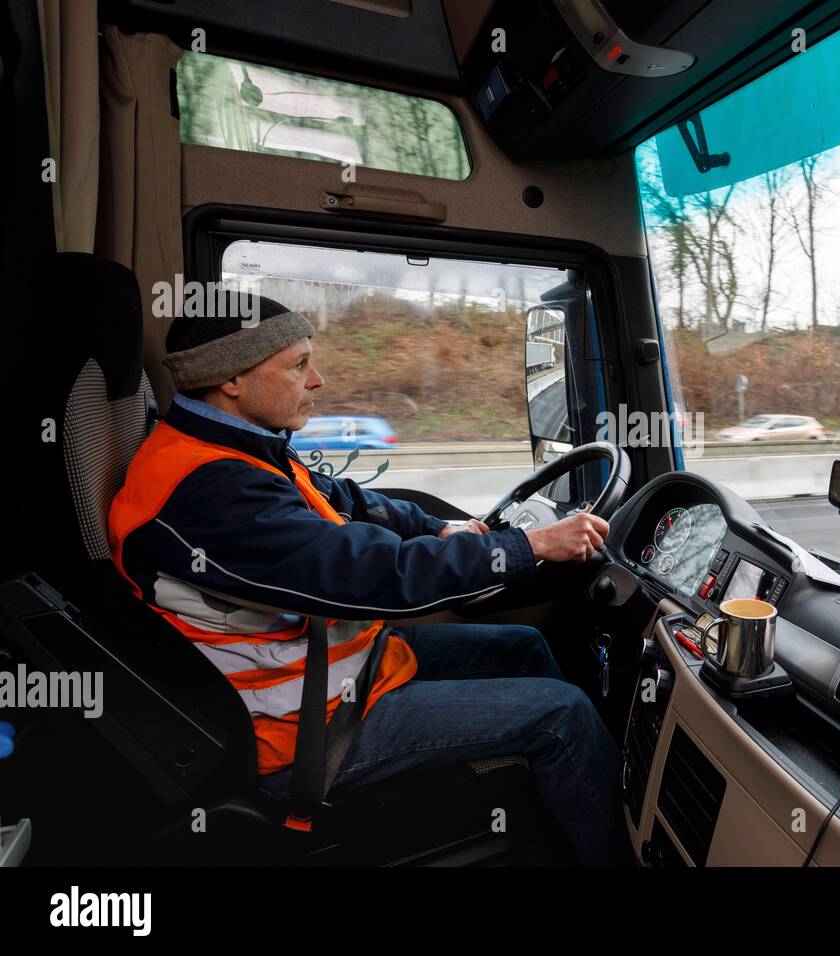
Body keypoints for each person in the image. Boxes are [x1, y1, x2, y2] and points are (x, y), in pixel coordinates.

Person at [107, 292, 627, 865]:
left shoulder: (236, 448)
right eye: (298, 364)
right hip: (300, 731)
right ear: (231, 378)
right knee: (562, 714)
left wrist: (447, 529)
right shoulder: (206, 489)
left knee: (522, 645)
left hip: (336, 670)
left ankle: (559, 811)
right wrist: (526, 545)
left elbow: (351, 503)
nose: (318, 380)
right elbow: (367, 572)